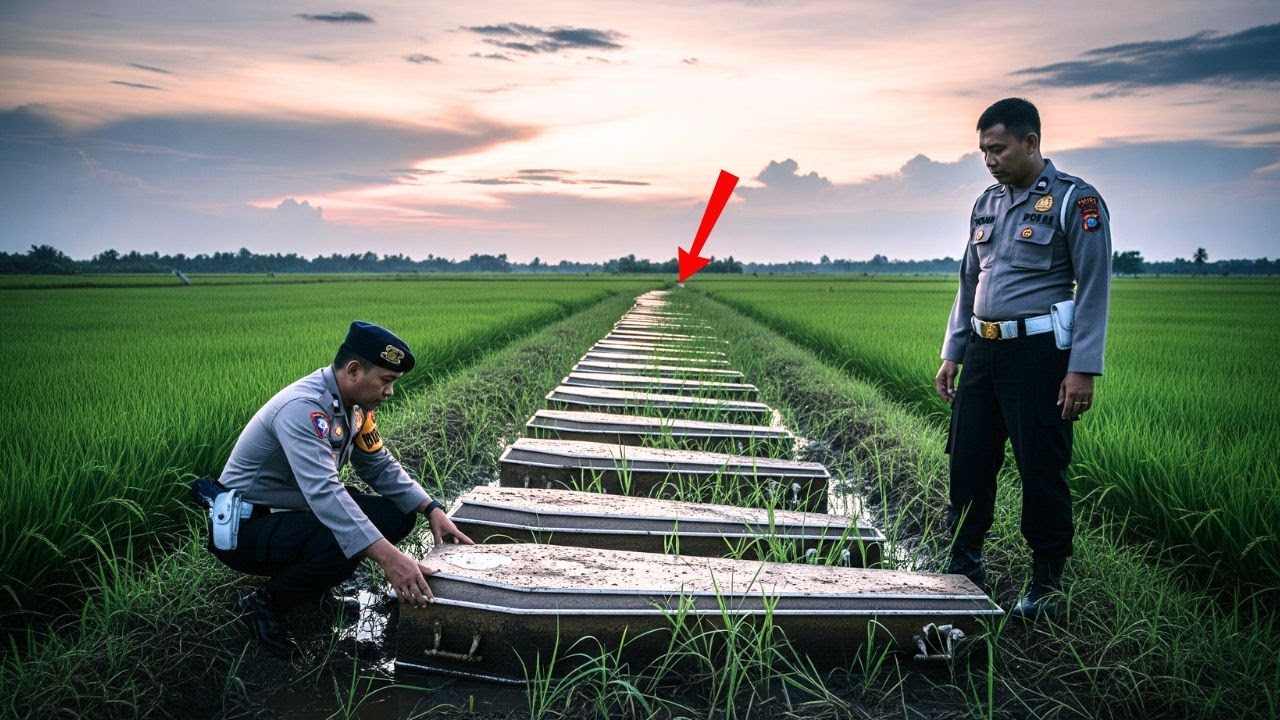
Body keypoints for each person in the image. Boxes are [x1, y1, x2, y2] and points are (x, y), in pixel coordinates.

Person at [934, 98, 1111, 620]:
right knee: (967, 461)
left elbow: (1095, 286)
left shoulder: (1075, 201)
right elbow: (969, 282)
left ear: (1031, 142)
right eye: (983, 150)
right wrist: (953, 352)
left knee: (1041, 467)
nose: (989, 159)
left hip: (1040, 356)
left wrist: (1083, 367)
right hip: (984, 353)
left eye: (998, 148)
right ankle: (964, 565)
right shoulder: (986, 203)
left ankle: (1046, 583)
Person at [207, 320, 473, 655]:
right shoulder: (303, 408)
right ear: (353, 370)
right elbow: (325, 493)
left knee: (397, 514)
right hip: (248, 529)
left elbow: (377, 464)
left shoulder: (354, 408)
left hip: (292, 516)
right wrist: (391, 560)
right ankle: (264, 604)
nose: (390, 392)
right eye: (386, 381)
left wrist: (429, 507)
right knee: (345, 534)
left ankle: (314, 590)